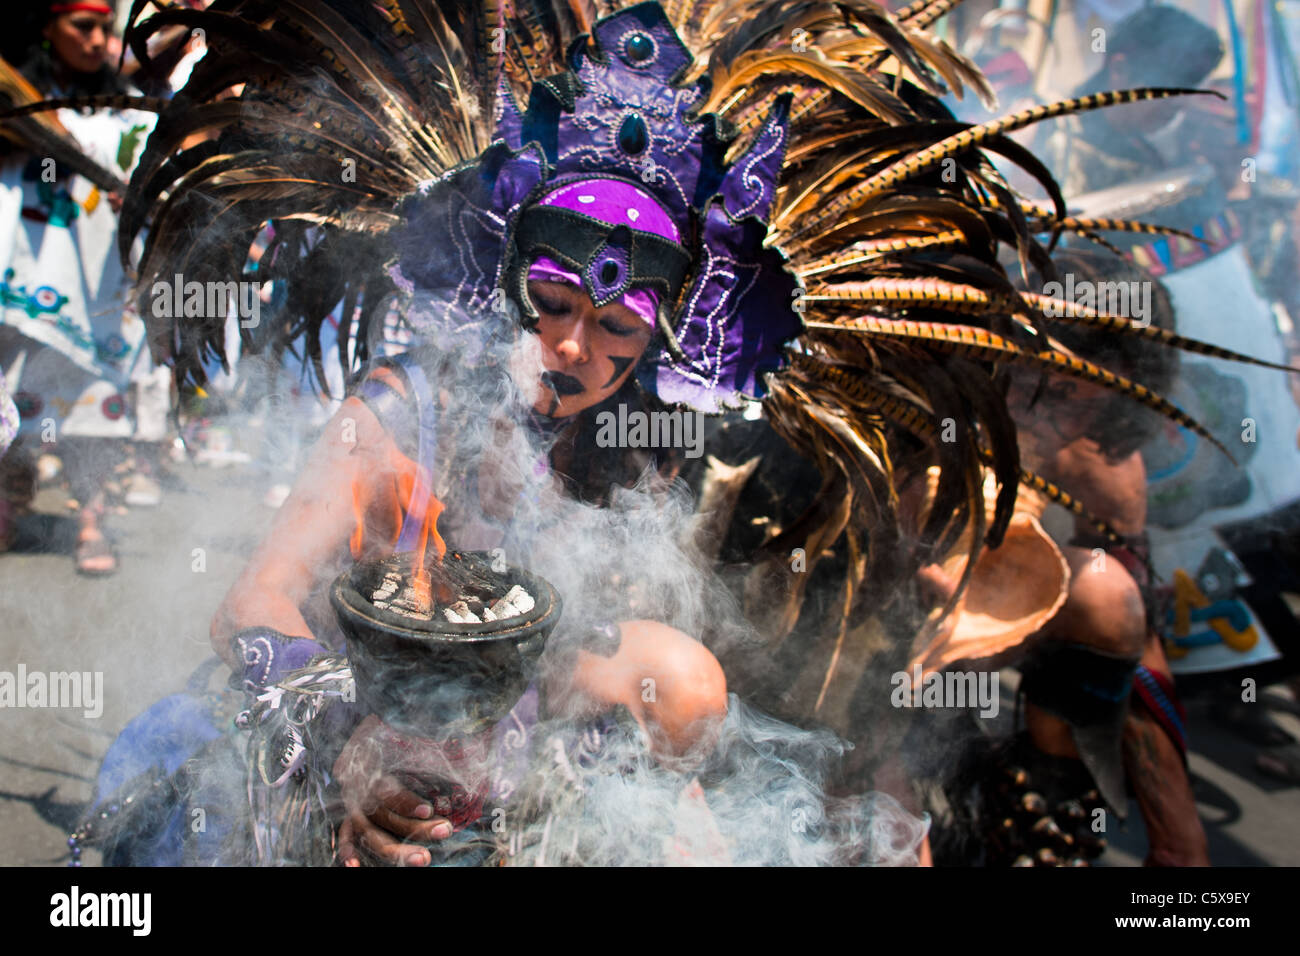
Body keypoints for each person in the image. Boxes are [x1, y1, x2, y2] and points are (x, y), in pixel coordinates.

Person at [69, 0, 1292, 867]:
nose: (573, 352)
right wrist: (352, 740)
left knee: (689, 687)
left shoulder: (661, 423)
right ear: (504, 285)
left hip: (524, 729)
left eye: (613, 329)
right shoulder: (406, 401)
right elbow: (260, 601)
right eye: (550, 308)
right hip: (348, 717)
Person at [0, 0, 155, 572]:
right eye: (81, 26)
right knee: (17, 406)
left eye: (103, 28)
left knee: (94, 409)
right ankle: (9, 511)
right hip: (23, 284)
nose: (96, 40)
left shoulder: (130, 111)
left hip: (98, 289)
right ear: (47, 28)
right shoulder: (17, 105)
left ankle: (91, 525)